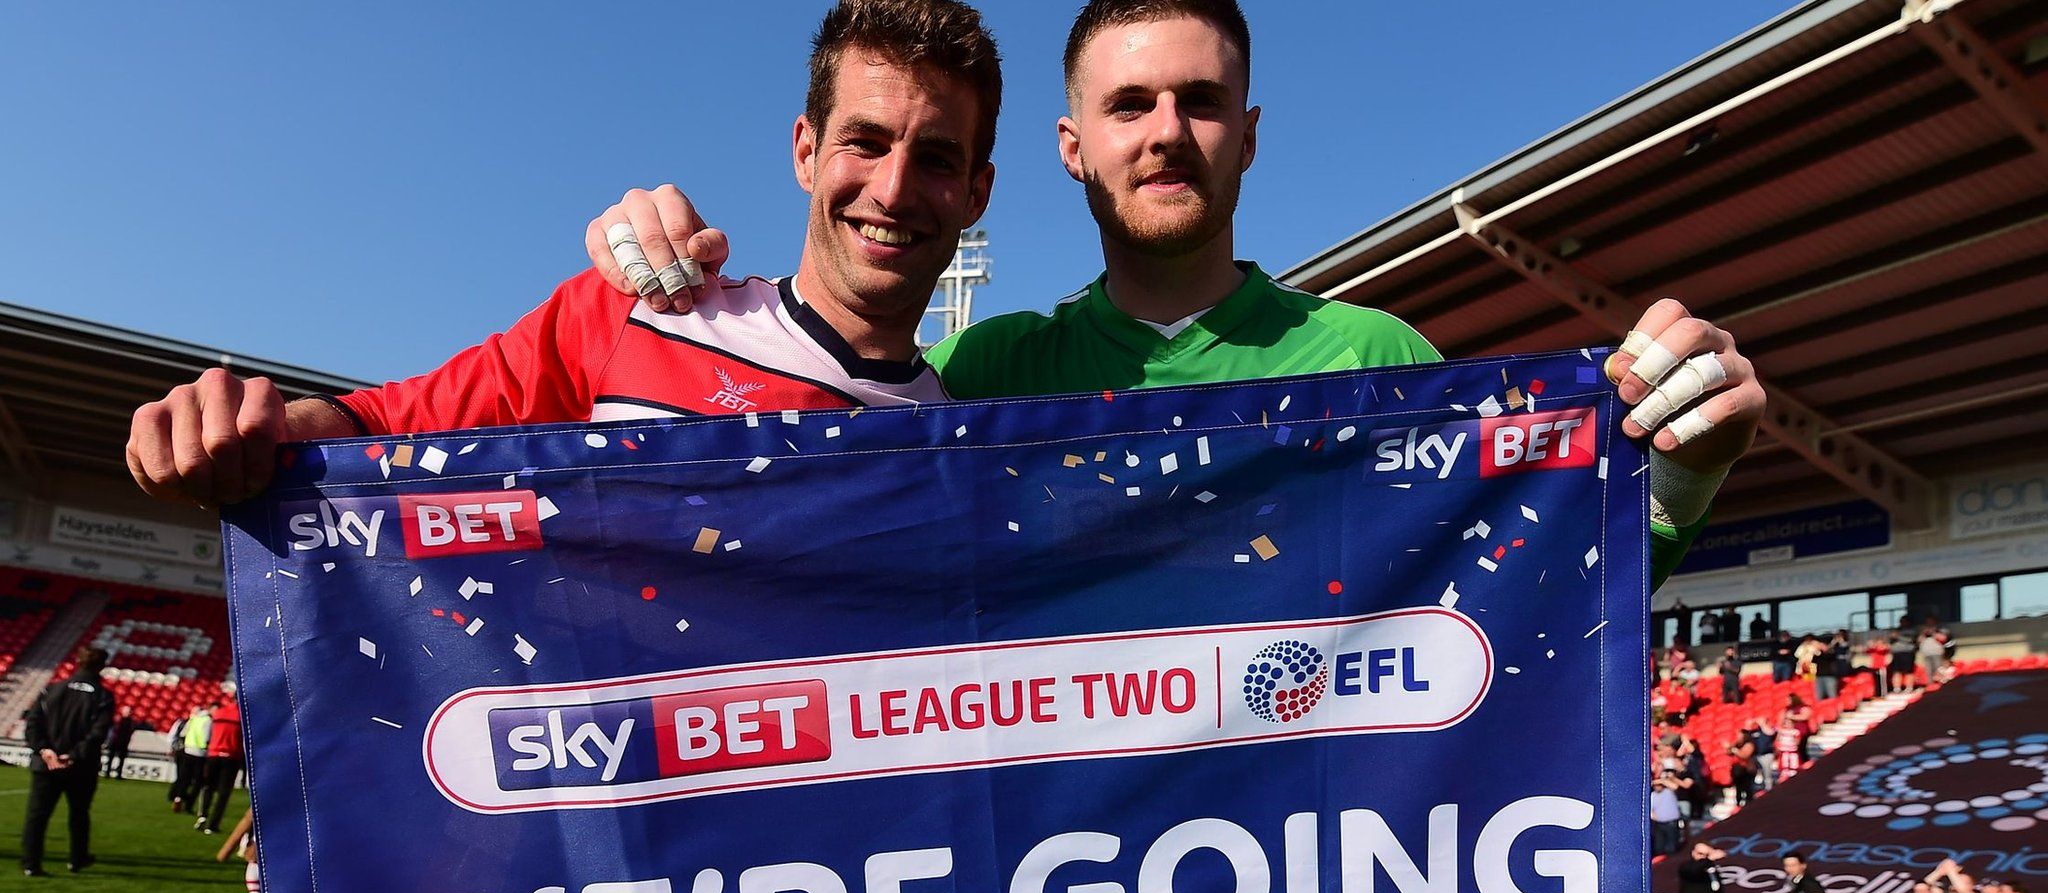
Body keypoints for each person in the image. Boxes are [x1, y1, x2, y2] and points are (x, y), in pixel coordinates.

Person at [570, 0, 1767, 591]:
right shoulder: (981, 376)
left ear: (1246, 135)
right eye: (1127, 108)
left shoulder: (1377, 355)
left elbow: (1520, 595)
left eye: (1198, 103)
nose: (1165, 135)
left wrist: (1673, 478)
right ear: (1068, 149)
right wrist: (646, 266)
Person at [127, 0, 1002, 493]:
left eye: (934, 159)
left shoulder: (965, 448)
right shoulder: (641, 309)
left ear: (976, 193)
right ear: (807, 151)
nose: (892, 189)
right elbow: (383, 431)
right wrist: (233, 428)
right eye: (866, 142)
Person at [20, 648, 117, 876]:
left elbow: (32, 724)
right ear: (102, 666)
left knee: (37, 816)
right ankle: (77, 858)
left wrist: (45, 751)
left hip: (46, 765)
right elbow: (98, 733)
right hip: (82, 767)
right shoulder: (103, 696)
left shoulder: (52, 689)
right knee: (79, 814)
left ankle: (30, 863)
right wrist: (73, 755)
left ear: (78, 662)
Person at [193, 688, 244, 835]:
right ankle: (212, 824)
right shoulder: (242, 716)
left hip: (214, 754)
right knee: (223, 793)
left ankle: (202, 815)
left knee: (208, 787)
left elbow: (208, 734)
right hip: (231, 756)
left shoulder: (219, 713)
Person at [170, 703, 212, 814]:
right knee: (198, 781)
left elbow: (183, 733)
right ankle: (189, 805)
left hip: (188, 750)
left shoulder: (194, 719)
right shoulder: (207, 721)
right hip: (200, 753)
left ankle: (178, 798)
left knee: (184, 778)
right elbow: (206, 736)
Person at [1650, 767, 1684, 859]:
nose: (1657, 787)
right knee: (1659, 847)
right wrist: (1655, 817)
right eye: (1655, 785)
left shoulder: (1669, 792)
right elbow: (1650, 810)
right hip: (1659, 824)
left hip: (1671, 823)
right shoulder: (1652, 796)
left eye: (1659, 785)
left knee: (1672, 846)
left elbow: (1675, 786)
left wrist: (1661, 780)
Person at [101, 708, 140, 779]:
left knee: (121, 759)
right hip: (115, 741)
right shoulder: (118, 720)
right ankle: (107, 772)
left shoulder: (131, 722)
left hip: (124, 742)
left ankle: (119, 774)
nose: (129, 713)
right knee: (110, 758)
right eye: (128, 712)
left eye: (130, 712)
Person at [1726, 728, 1758, 807]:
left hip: (1747, 770)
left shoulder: (1749, 744)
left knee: (1748, 788)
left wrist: (1734, 750)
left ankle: (1750, 804)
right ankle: (1738, 803)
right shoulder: (1737, 744)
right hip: (1738, 770)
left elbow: (1744, 755)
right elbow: (1729, 752)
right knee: (1739, 788)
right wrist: (1729, 747)